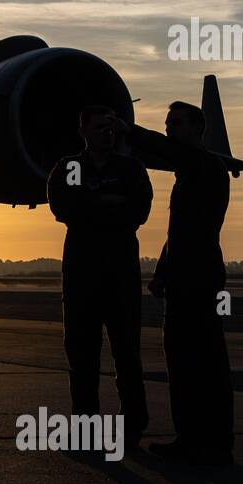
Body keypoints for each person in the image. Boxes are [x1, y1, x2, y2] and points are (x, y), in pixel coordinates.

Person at [133, 101, 234, 466]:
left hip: (198, 278)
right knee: (188, 361)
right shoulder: (191, 172)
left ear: (197, 128)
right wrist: (162, 272)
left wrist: (124, 127)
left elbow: (162, 148)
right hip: (185, 276)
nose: (170, 129)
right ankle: (198, 440)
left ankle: (207, 442)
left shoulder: (203, 165)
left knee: (200, 362)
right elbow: (178, 232)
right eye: (167, 123)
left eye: (176, 123)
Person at [47, 105, 153, 441]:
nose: (106, 134)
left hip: (121, 275)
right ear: (84, 131)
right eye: (99, 128)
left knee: (127, 353)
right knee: (81, 354)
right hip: (81, 276)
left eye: (111, 128)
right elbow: (64, 209)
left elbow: (140, 211)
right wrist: (110, 203)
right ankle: (84, 425)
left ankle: (132, 425)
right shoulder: (70, 167)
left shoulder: (131, 168)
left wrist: (92, 204)